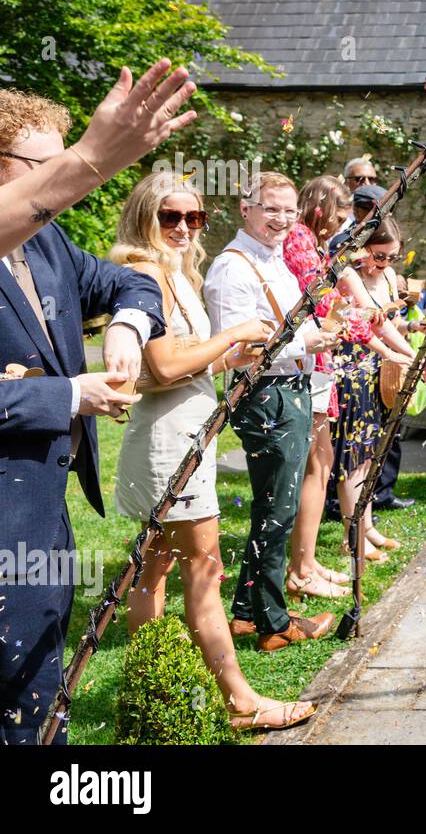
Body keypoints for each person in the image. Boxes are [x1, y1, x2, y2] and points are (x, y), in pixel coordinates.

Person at [112, 171, 314, 730]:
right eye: (169, 217)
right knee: (204, 569)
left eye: (193, 217)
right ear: (144, 218)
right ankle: (239, 702)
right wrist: (233, 335)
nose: (183, 227)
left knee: (154, 570)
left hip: (183, 431)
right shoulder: (144, 274)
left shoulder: (176, 274)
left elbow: (179, 367)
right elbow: (162, 366)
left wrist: (228, 360)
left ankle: (148, 696)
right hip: (167, 440)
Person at [0, 89, 164, 743]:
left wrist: (125, 326)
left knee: (43, 692)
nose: (60, 186)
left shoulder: (48, 243)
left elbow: (133, 282)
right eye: (42, 169)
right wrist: (71, 397)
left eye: (64, 164)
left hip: (46, 517)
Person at [204, 172, 341, 652]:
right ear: (247, 210)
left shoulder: (274, 259)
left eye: (288, 210)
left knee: (273, 505)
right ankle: (274, 623)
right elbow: (239, 343)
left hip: (291, 388)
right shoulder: (233, 267)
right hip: (267, 394)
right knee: (277, 511)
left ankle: (245, 611)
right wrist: (307, 340)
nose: (282, 219)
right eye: (271, 209)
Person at [281, 175, 373, 599]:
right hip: (306, 362)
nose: (341, 223)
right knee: (316, 466)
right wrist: (364, 322)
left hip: (319, 362)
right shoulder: (298, 240)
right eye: (338, 213)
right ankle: (300, 567)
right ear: (320, 206)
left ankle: (308, 558)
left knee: (323, 460)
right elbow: (319, 297)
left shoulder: (312, 242)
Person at [0, 60, 197, 258]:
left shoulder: (48, 240)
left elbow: (114, 280)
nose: (183, 228)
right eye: (48, 165)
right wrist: (94, 156)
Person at [332, 217, 418, 564]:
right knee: (353, 453)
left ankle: (366, 525)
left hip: (378, 366)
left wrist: (409, 335)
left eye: (393, 258)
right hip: (352, 365)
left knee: (370, 451)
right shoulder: (346, 273)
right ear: (361, 248)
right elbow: (368, 322)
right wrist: (410, 355)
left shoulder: (383, 276)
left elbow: (389, 322)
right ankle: (351, 535)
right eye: (380, 256)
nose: (385, 264)